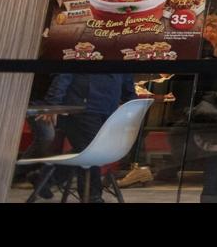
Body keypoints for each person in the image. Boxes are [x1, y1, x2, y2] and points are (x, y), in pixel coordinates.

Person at [27, 70, 137, 201]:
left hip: (107, 109)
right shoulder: (84, 50)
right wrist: (52, 103)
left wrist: (135, 104)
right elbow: (64, 74)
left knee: (87, 149)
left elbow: (127, 84)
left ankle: (45, 179)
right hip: (79, 109)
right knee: (93, 151)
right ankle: (93, 197)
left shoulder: (120, 54)